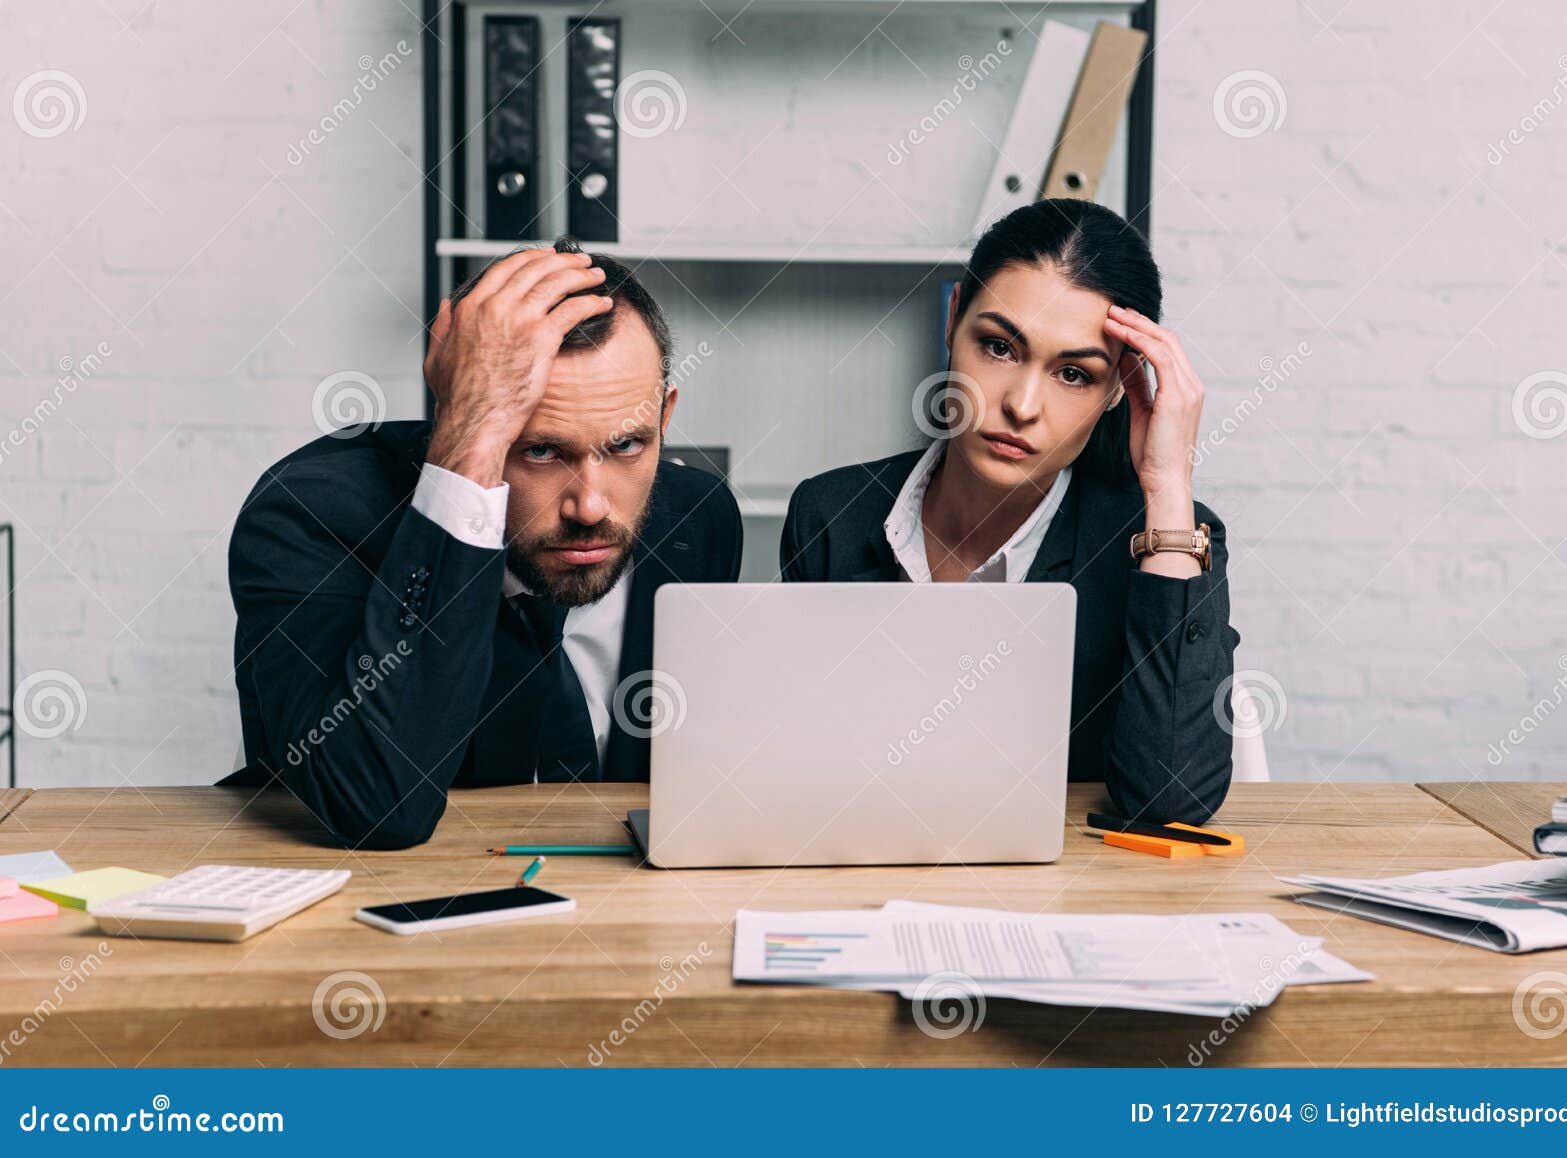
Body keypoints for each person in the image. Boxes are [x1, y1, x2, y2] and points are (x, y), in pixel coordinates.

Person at [224, 243, 742, 849]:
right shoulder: (310, 515)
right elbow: (375, 810)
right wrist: (470, 447)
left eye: (626, 445)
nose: (590, 507)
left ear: (663, 418)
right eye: (540, 451)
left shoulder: (698, 518)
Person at [780, 199, 1238, 824]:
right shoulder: (831, 514)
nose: (1022, 405)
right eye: (998, 347)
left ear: (1117, 391)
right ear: (953, 321)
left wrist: (1166, 484)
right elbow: (800, 768)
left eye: (1074, 374)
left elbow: (1171, 804)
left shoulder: (1161, 539)